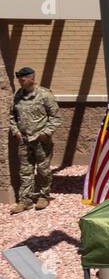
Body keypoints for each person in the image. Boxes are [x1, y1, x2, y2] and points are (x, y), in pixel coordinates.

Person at [8, 66, 60, 214]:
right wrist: (16, 131)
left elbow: (56, 118)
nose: (20, 81)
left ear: (31, 78)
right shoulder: (18, 95)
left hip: (41, 141)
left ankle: (44, 196)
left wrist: (45, 133)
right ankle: (26, 200)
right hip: (24, 140)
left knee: (43, 170)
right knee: (25, 171)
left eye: (23, 79)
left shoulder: (44, 95)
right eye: (19, 79)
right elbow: (12, 116)